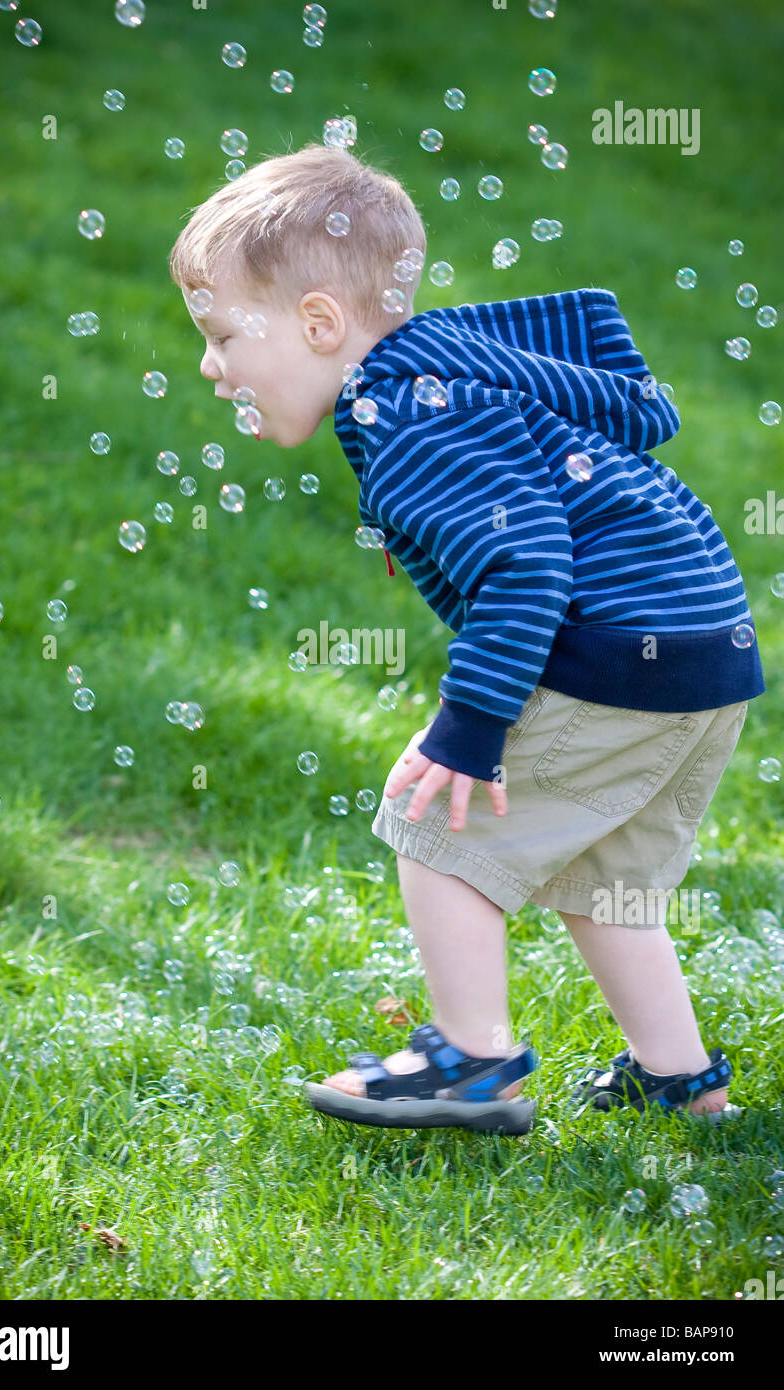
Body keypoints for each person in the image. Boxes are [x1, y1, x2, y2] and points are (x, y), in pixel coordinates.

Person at [168, 142, 765, 1134]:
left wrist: (468, 726)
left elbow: (527, 564)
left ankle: (469, 1057)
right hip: (705, 650)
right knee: (605, 880)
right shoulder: (442, 378)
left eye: (224, 335)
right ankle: (681, 1082)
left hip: (617, 648)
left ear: (318, 324)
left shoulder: (404, 414)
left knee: (433, 828)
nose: (209, 365)